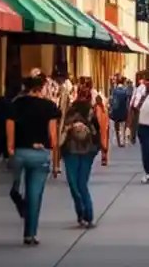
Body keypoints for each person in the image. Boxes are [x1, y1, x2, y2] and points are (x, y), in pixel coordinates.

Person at [6, 76, 61, 246]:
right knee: (35, 194)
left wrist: (10, 147)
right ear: (41, 88)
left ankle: (18, 198)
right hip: (40, 153)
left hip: (20, 152)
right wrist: (55, 160)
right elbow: (53, 136)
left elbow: (10, 124)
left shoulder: (16, 104)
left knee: (16, 185)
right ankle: (30, 234)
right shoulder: (49, 107)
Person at [62, 81, 104, 228]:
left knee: (76, 183)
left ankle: (85, 213)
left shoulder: (89, 111)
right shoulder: (71, 109)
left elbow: (98, 130)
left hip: (78, 150)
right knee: (79, 183)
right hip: (80, 150)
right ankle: (85, 213)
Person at [108, 75, 133, 148]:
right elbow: (128, 101)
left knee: (117, 126)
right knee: (124, 125)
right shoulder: (126, 90)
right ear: (123, 82)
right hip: (124, 110)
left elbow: (111, 99)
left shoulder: (114, 90)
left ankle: (119, 142)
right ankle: (124, 140)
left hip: (116, 110)